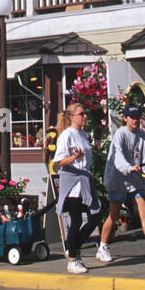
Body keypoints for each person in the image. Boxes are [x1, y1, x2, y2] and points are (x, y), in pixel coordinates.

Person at [97, 105, 145, 261]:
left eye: (137, 118)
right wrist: (129, 167)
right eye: (132, 118)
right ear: (125, 118)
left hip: (135, 180)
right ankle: (103, 246)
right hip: (118, 180)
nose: (135, 120)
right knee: (114, 215)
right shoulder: (120, 134)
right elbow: (117, 156)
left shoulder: (142, 135)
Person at [53, 102, 100, 274]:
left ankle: (73, 247)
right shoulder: (66, 136)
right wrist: (75, 157)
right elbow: (58, 162)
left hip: (85, 180)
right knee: (77, 221)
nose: (85, 116)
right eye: (82, 114)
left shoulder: (83, 135)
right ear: (73, 117)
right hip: (73, 183)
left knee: (95, 216)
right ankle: (72, 260)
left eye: (85, 113)